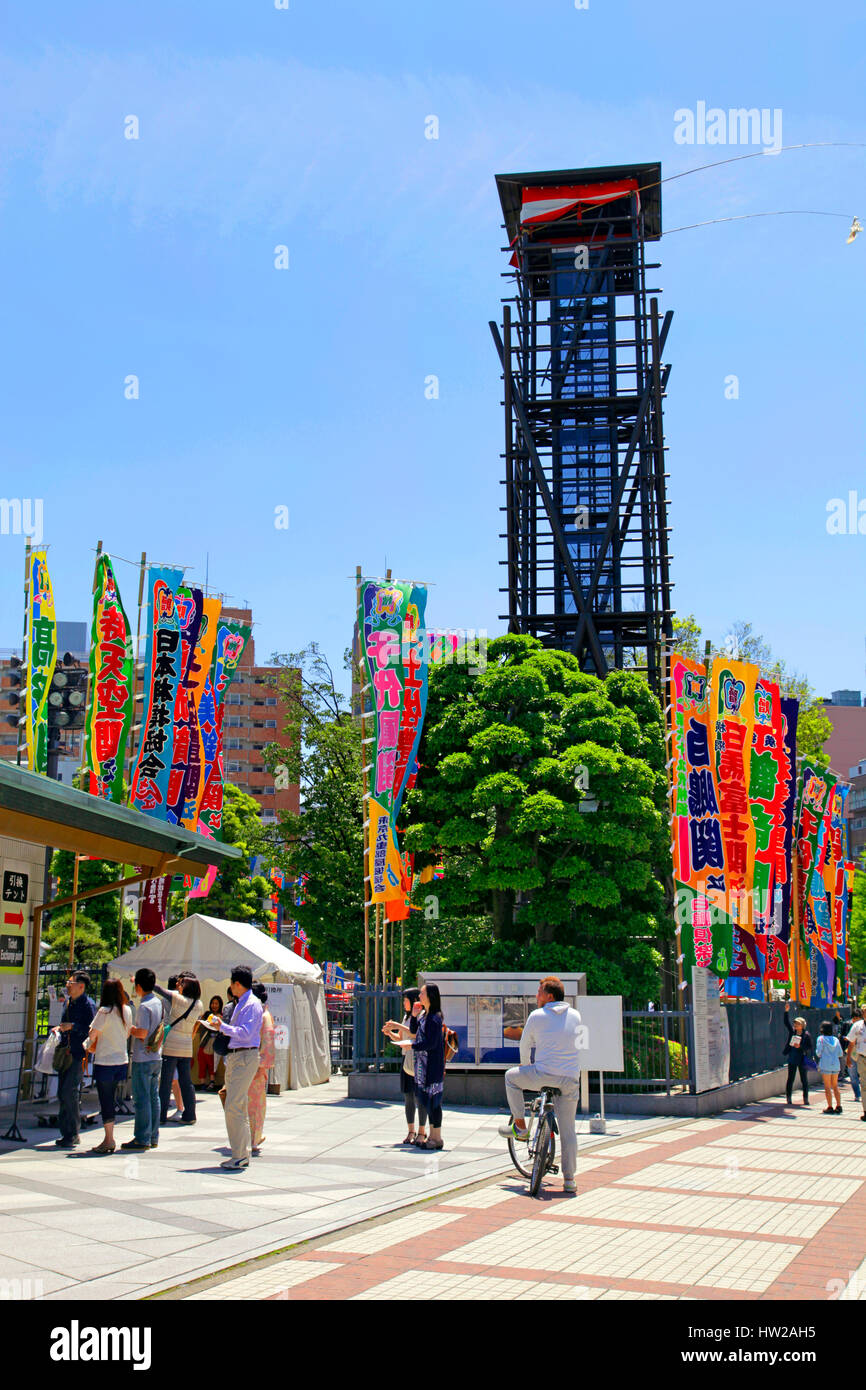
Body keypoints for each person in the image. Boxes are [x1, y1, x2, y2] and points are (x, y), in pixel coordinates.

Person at [498, 976, 582, 1196]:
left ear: (549, 996)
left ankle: (521, 1128)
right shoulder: (576, 1015)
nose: (536, 996)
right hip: (570, 1079)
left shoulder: (537, 1016)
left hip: (542, 1074)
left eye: (539, 992)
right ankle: (570, 1179)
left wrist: (525, 1067)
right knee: (568, 1130)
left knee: (510, 1078)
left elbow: (525, 1046)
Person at [210, 965, 263, 1170]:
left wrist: (221, 1026)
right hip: (237, 1057)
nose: (231, 987)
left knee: (234, 1105)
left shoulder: (251, 1004)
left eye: (232, 983)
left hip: (244, 1056)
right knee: (237, 1106)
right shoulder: (243, 1002)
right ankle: (241, 1152)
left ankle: (240, 1155)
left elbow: (245, 1032)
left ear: (237, 984)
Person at [391, 983, 446, 1151]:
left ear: (430, 997)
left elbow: (431, 1043)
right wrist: (414, 1016)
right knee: (427, 1099)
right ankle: (434, 1136)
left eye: (422, 993)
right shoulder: (426, 1016)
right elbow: (415, 1031)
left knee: (433, 1100)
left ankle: (436, 1137)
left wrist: (412, 1046)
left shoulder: (435, 1018)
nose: (420, 996)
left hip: (432, 1065)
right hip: (423, 1065)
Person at [84, 978, 133, 1155]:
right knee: (111, 1097)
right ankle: (109, 1137)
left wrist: (87, 1044)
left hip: (105, 1060)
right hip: (121, 1059)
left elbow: (93, 1033)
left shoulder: (104, 1011)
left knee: (105, 1100)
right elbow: (127, 1033)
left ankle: (109, 1138)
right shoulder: (126, 1010)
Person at [121, 968, 164, 1152]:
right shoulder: (158, 1003)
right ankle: (153, 1136)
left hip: (143, 1057)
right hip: (156, 1055)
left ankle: (142, 1137)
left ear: (138, 986)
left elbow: (142, 1033)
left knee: (141, 1099)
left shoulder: (144, 1006)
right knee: (154, 1097)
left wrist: (130, 1028)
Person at [153, 973, 204, 1125]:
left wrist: (146, 980)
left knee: (166, 1082)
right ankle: (190, 1114)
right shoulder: (198, 1004)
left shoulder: (179, 1000)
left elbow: (161, 990)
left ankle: (161, 1116)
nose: (178, 987)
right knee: (186, 1081)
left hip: (172, 1045)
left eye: (181, 984)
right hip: (186, 1046)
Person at [54, 972, 96, 1150]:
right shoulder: (69, 1002)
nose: (68, 985)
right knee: (63, 1092)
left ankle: (71, 1133)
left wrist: (73, 1027)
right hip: (66, 1051)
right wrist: (60, 1029)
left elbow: (91, 1029)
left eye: (71, 982)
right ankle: (69, 1132)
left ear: (81, 986)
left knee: (69, 1092)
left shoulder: (88, 1005)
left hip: (79, 1054)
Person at [382, 989, 425, 1145]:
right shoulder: (407, 1017)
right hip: (406, 1058)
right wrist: (390, 1032)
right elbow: (401, 1038)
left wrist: (397, 1026)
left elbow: (415, 1034)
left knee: (419, 1097)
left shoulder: (420, 1015)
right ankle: (410, 1131)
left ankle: (422, 1131)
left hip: (417, 1059)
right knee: (408, 1096)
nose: (404, 1003)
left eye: (406, 1000)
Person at [247, 982, 275, 1155]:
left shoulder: (262, 1016)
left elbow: (268, 1043)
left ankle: (253, 1137)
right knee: (257, 1103)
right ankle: (255, 1135)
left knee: (254, 1104)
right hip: (258, 1064)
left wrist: (260, 1064)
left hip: (255, 1064)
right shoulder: (265, 1014)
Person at [783, 1003, 813, 1107]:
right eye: (795, 1024)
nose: (795, 1026)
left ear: (802, 1025)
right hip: (792, 1057)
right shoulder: (792, 1032)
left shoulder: (806, 1035)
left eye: (798, 1024)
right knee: (790, 1078)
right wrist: (786, 1011)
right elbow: (786, 1023)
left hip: (801, 1058)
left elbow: (809, 1047)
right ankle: (788, 1098)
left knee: (804, 1079)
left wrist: (799, 1046)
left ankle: (805, 1098)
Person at [194, 995, 223, 1088]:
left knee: (212, 1063)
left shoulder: (221, 1016)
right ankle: (202, 1083)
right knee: (201, 1062)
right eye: (212, 1003)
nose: (214, 1005)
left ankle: (212, 1082)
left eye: (216, 1003)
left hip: (213, 1044)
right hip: (203, 1042)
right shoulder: (206, 1014)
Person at [816, 1021, 844, 1113]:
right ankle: (839, 1105)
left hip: (826, 1064)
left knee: (827, 1086)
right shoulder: (835, 1039)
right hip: (835, 1064)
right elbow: (840, 1053)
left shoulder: (821, 1039)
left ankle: (830, 1106)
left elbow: (818, 1052)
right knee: (835, 1086)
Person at [844, 1008, 864, 1108]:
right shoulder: (849, 1025)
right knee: (853, 1075)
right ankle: (857, 1094)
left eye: (857, 1018)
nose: (855, 1020)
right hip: (852, 1053)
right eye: (854, 1018)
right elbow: (849, 1041)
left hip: (861, 1053)